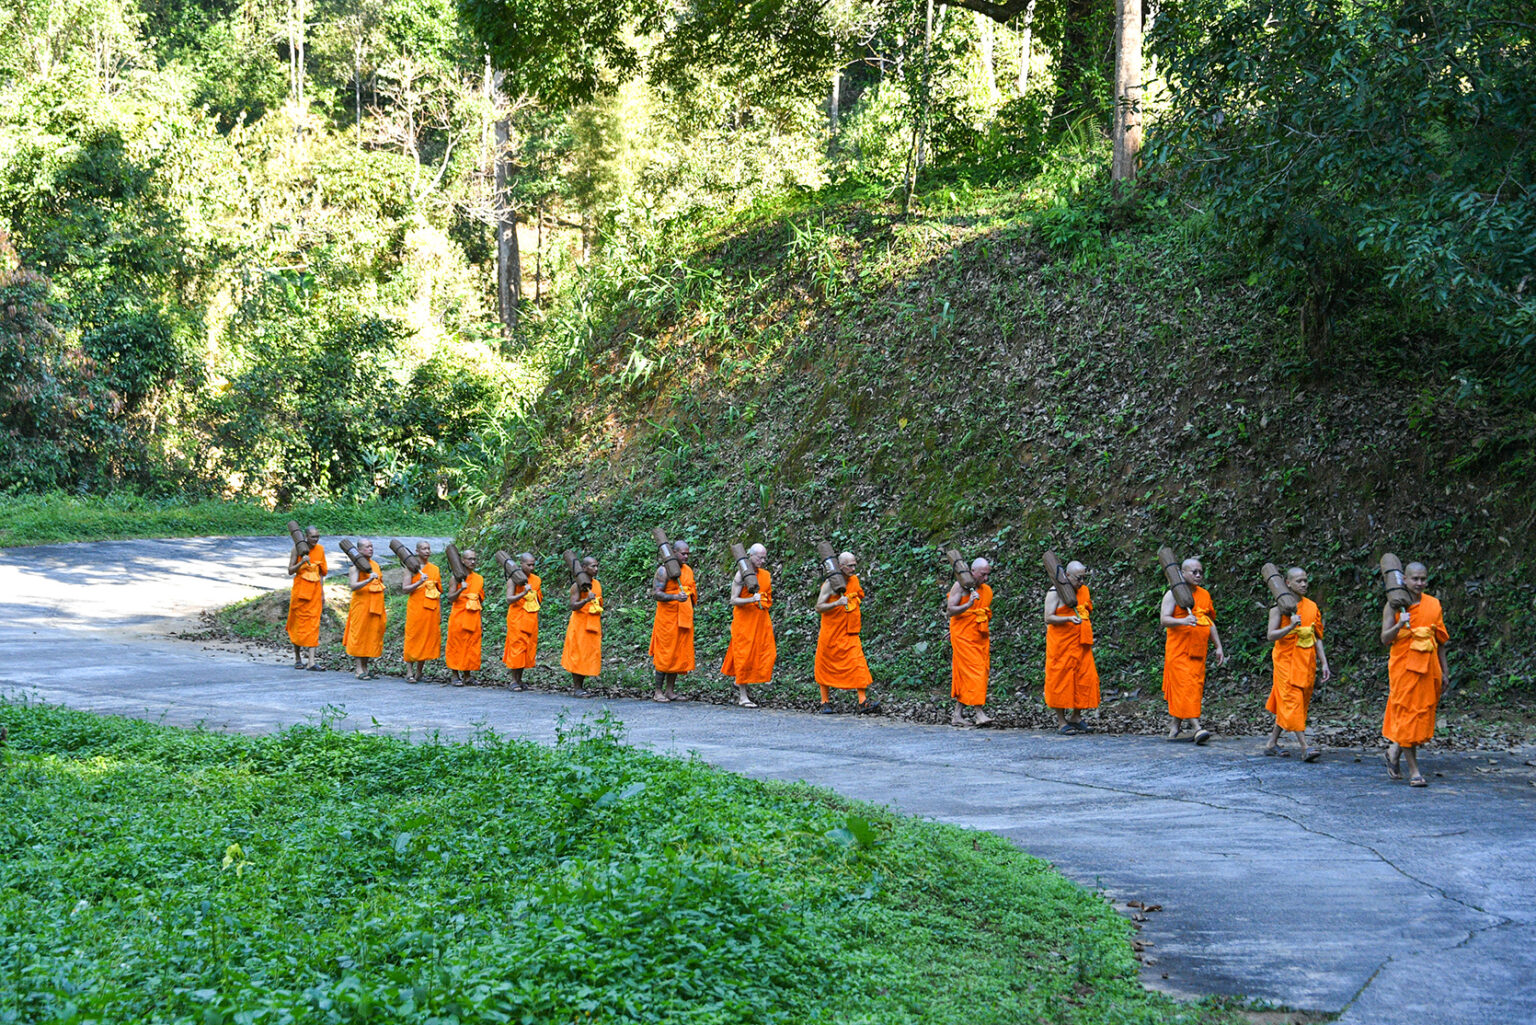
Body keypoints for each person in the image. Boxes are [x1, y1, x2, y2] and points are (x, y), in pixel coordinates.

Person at [1380, 561, 1450, 788]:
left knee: (1419, 715)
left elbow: (1440, 641)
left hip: (1429, 668)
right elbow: (1385, 639)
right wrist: (1400, 624)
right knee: (1407, 715)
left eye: (1423, 579)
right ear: (1405, 580)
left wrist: (1445, 672)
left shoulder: (1433, 604)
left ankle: (1394, 749)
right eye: (1415, 579)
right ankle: (1414, 771)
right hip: (1404, 669)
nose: (1419, 583)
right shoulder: (1394, 606)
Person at [1263, 567, 1331, 760]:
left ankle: (1271, 743)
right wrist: (1291, 626)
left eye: (1305, 580)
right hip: (1285, 661)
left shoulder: (1311, 607)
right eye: (1299, 581)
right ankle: (1305, 747)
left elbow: (1317, 636)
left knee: (1296, 703)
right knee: (1292, 700)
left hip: (1306, 661)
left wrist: (1324, 663)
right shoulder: (1278, 609)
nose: (1303, 584)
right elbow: (1270, 635)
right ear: (1288, 583)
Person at [1160, 557, 1225, 744]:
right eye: (1193, 572)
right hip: (1178, 651)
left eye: (1200, 572)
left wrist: (1218, 646)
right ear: (1182, 573)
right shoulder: (1173, 594)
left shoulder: (1204, 594)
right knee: (1184, 688)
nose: (1198, 575)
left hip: (1198, 651)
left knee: (1191, 689)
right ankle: (1197, 728)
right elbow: (1164, 619)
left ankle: (1174, 729)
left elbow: (1209, 622)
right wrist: (1182, 621)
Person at [814, 551, 879, 714]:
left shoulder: (854, 580)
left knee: (858, 664)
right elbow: (819, 607)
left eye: (855, 564)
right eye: (850, 565)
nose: (853, 568)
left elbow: (858, 596)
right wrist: (837, 602)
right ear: (840, 566)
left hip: (850, 632)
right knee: (825, 666)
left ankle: (863, 702)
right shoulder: (829, 584)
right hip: (831, 632)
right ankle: (824, 701)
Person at [1044, 560, 1099, 734]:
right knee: (1060, 680)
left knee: (1084, 678)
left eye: (1084, 578)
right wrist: (1067, 619)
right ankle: (1061, 721)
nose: (1081, 582)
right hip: (1061, 644)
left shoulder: (1083, 591)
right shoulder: (1054, 593)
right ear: (1067, 576)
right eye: (1078, 578)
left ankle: (1076, 716)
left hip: (1081, 643)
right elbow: (1048, 618)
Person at [720, 543, 775, 708]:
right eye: (760, 557)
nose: (763, 561)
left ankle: (742, 683)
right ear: (750, 556)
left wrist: (760, 601)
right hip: (744, 621)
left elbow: (767, 596)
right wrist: (751, 599)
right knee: (743, 655)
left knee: (767, 653)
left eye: (765, 557)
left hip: (761, 620)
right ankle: (743, 696)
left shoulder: (765, 575)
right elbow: (733, 600)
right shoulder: (740, 575)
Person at [947, 558, 994, 727]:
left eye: (988, 574)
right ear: (973, 572)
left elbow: (979, 614)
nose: (986, 578)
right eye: (983, 574)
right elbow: (950, 610)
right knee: (976, 672)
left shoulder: (986, 590)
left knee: (968, 674)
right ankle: (979, 713)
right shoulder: (959, 586)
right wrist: (968, 604)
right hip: (963, 637)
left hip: (979, 637)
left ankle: (957, 715)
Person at [649, 541, 697, 702]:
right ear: (674, 552)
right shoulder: (663, 570)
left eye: (688, 553)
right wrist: (675, 597)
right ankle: (658, 691)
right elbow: (656, 594)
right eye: (683, 553)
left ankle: (670, 691)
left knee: (677, 654)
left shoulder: (688, 570)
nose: (686, 556)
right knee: (665, 654)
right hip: (667, 619)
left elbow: (691, 590)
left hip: (683, 618)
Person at [285, 525, 326, 671]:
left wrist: (322, 593)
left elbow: (321, 573)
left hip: (315, 592)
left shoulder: (320, 550)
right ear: (306, 537)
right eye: (313, 537)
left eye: (317, 536)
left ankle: (311, 661)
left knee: (313, 625)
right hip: (300, 593)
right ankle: (297, 658)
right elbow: (290, 570)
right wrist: (302, 562)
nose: (316, 539)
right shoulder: (297, 549)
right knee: (298, 625)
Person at [343, 540, 386, 680]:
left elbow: (380, 582)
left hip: (375, 605)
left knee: (371, 636)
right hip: (361, 606)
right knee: (359, 635)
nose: (370, 549)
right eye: (367, 547)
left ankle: (366, 668)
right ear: (359, 550)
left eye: (371, 546)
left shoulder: (376, 565)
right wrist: (368, 580)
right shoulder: (355, 567)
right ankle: (358, 669)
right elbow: (353, 585)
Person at [560, 556, 603, 697]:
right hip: (579, 624)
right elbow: (573, 605)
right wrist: (586, 600)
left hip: (593, 623)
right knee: (578, 654)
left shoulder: (596, 584)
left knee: (588, 654)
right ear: (584, 568)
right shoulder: (576, 585)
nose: (596, 569)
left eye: (597, 566)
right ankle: (577, 687)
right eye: (592, 566)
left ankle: (582, 686)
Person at [401, 541, 441, 684]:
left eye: (428, 548)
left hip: (431, 609)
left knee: (426, 639)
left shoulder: (435, 569)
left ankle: (419, 673)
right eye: (423, 549)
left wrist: (439, 613)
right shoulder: (411, 568)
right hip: (415, 609)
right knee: (413, 638)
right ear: (417, 551)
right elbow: (405, 589)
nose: (427, 551)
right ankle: (409, 672)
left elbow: (438, 591)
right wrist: (419, 582)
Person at [443, 549, 485, 686]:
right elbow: (450, 598)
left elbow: (480, 599)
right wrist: (461, 589)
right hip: (459, 616)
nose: (472, 562)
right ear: (462, 560)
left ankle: (468, 675)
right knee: (456, 645)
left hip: (473, 616)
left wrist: (480, 619)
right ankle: (455, 675)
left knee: (471, 645)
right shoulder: (455, 578)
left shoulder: (478, 578)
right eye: (469, 559)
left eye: (474, 559)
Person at [501, 552, 540, 691]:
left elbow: (538, 599)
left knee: (527, 648)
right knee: (517, 647)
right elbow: (509, 599)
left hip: (531, 618)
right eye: (528, 564)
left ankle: (520, 679)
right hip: (517, 618)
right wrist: (523, 593)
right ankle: (513, 681)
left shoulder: (536, 580)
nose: (531, 567)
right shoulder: (513, 580)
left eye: (533, 564)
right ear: (521, 564)